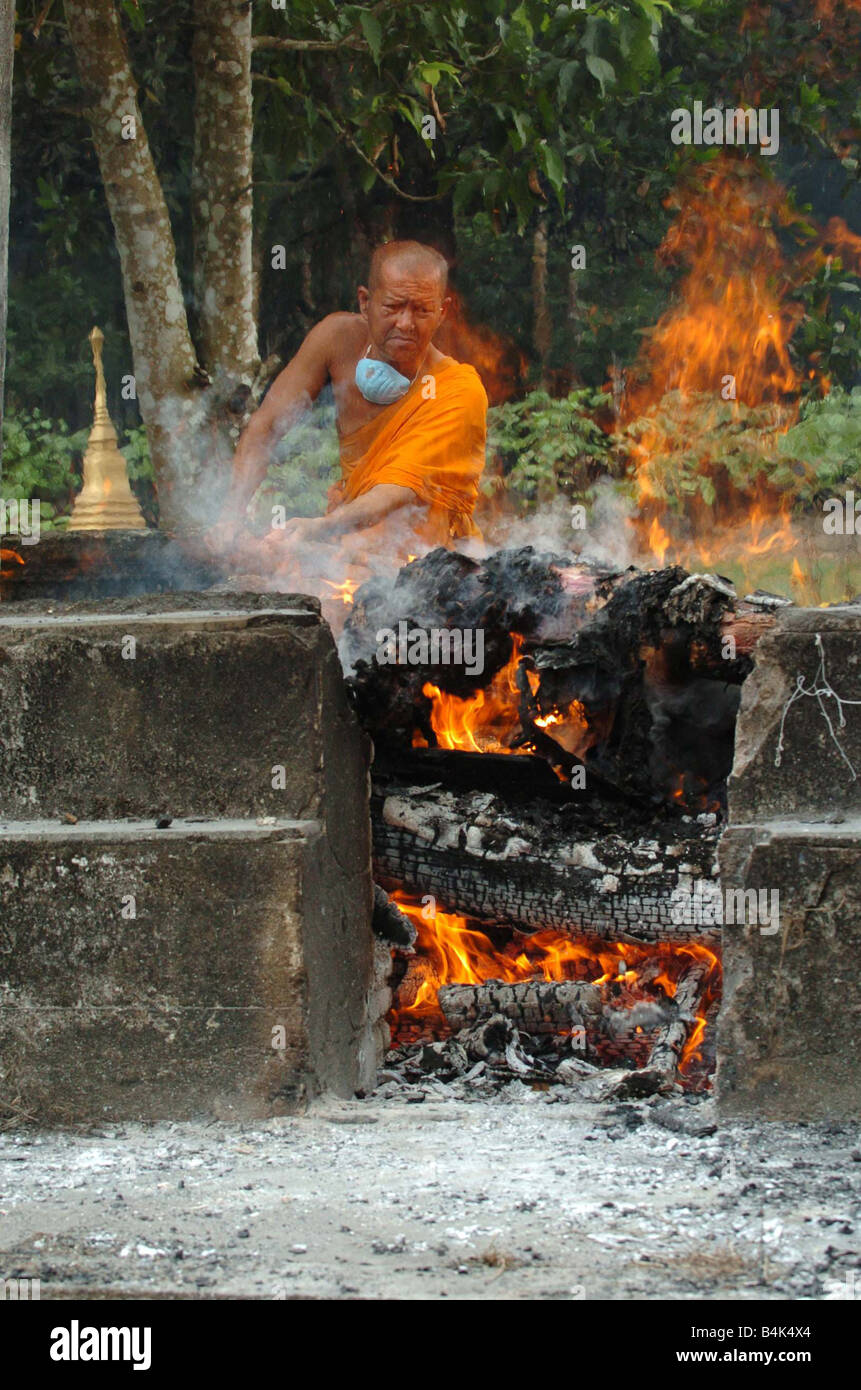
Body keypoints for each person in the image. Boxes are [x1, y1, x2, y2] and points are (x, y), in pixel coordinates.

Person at [208, 240, 488, 560]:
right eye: (393, 307)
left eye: (422, 310)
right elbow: (267, 424)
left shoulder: (459, 389)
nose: (406, 324)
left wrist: (323, 527)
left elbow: (400, 489)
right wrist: (230, 516)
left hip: (428, 561)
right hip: (349, 541)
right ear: (365, 301)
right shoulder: (337, 340)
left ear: (442, 312)